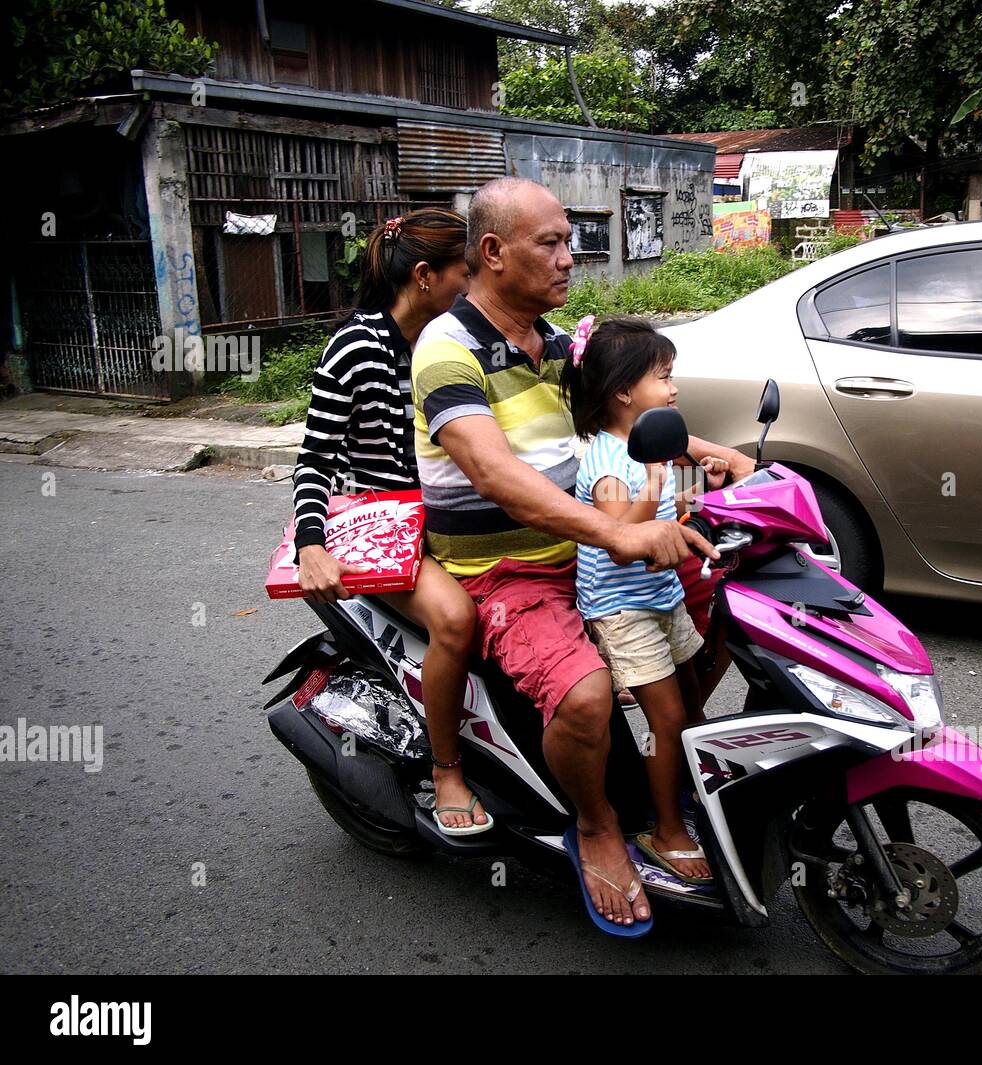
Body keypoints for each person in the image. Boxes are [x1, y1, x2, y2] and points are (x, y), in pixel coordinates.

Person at [410, 176, 753, 932]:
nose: (572, 257)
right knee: (588, 696)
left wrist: (711, 455)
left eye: (570, 241)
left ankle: (674, 758)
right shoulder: (448, 346)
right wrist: (623, 532)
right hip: (508, 569)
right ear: (494, 253)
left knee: (735, 596)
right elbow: (498, 474)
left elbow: (618, 424)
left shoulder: (559, 346)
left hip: (585, 546)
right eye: (553, 243)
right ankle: (596, 821)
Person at [292, 207, 490, 836]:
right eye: (467, 271)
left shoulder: (466, 339)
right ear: (427, 276)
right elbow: (316, 457)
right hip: (390, 528)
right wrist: (310, 545)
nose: (476, 284)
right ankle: (447, 769)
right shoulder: (356, 347)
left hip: (462, 517)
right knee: (456, 622)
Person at [563, 316, 729, 884]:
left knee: (690, 705)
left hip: (662, 595)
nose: (674, 387)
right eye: (664, 376)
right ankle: (666, 831)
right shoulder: (610, 462)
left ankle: (684, 793)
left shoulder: (652, 446)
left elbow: (671, 513)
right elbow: (619, 540)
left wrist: (700, 478)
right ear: (624, 392)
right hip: (623, 609)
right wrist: (655, 484)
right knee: (668, 717)